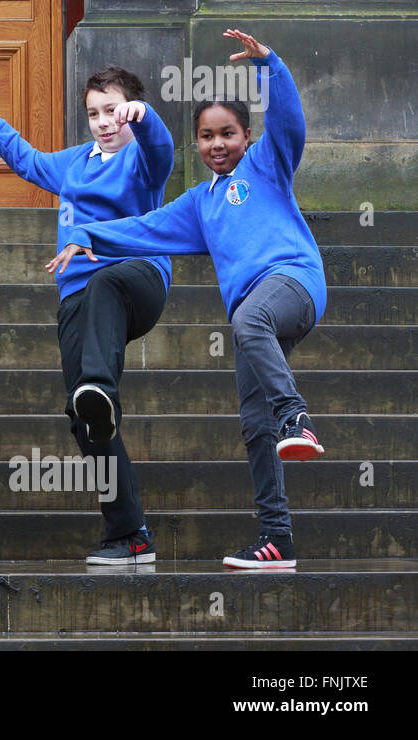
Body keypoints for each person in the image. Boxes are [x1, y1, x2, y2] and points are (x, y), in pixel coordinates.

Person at [50, 29, 327, 570]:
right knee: (252, 421)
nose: (217, 144)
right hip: (255, 318)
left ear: (247, 135)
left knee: (249, 322)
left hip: (294, 282)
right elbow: (147, 227)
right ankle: (277, 538)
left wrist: (269, 65)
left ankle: (297, 417)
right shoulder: (199, 203)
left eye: (227, 133)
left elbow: (289, 119)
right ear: (196, 144)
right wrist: (90, 237)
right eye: (206, 136)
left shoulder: (269, 164)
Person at [0, 67, 173, 565]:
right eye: (93, 114)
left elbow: (162, 150)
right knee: (86, 420)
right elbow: (26, 161)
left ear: (129, 110)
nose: (103, 122)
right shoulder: (75, 163)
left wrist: (146, 118)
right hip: (77, 297)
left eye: (113, 111)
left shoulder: (140, 160)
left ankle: (99, 388)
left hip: (136, 279)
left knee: (105, 286)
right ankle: (129, 537)